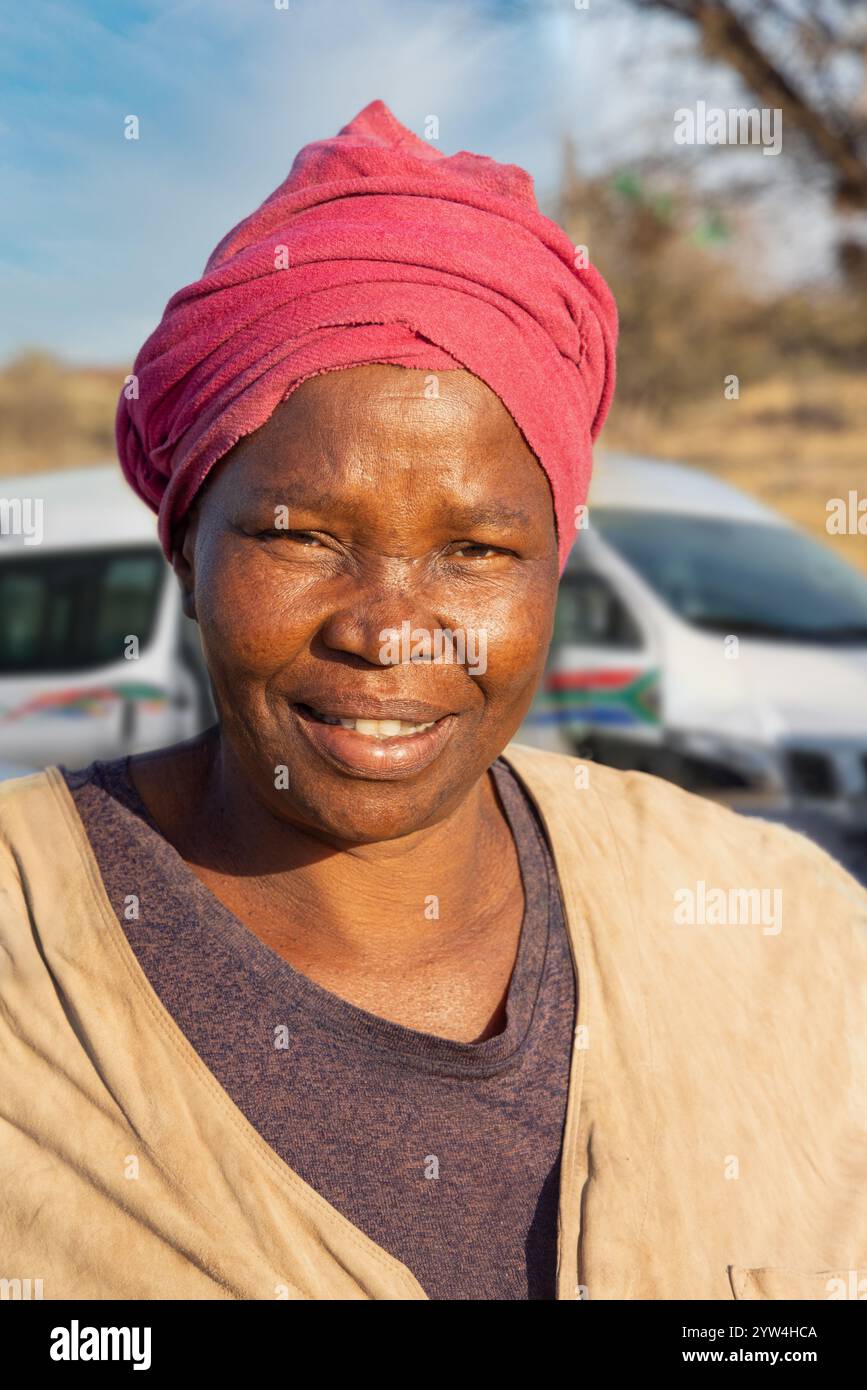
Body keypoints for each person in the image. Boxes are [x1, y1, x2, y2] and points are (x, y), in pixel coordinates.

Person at [1, 101, 865, 1303]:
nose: (387, 626)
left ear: (555, 565)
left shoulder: (788, 951)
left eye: (474, 550)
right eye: (299, 534)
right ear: (186, 546)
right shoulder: (23, 968)